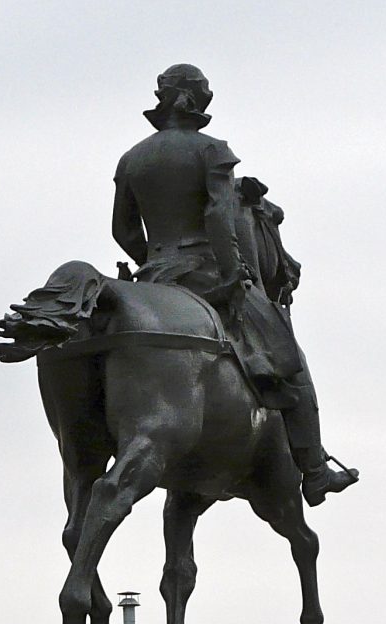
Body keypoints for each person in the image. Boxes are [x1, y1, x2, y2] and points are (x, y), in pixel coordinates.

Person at [112, 64, 357, 506]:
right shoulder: (212, 151)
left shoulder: (132, 158)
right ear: (199, 101)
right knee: (289, 356)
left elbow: (123, 232)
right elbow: (219, 216)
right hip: (205, 271)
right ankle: (315, 471)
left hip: (153, 276)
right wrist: (233, 275)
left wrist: (150, 264)